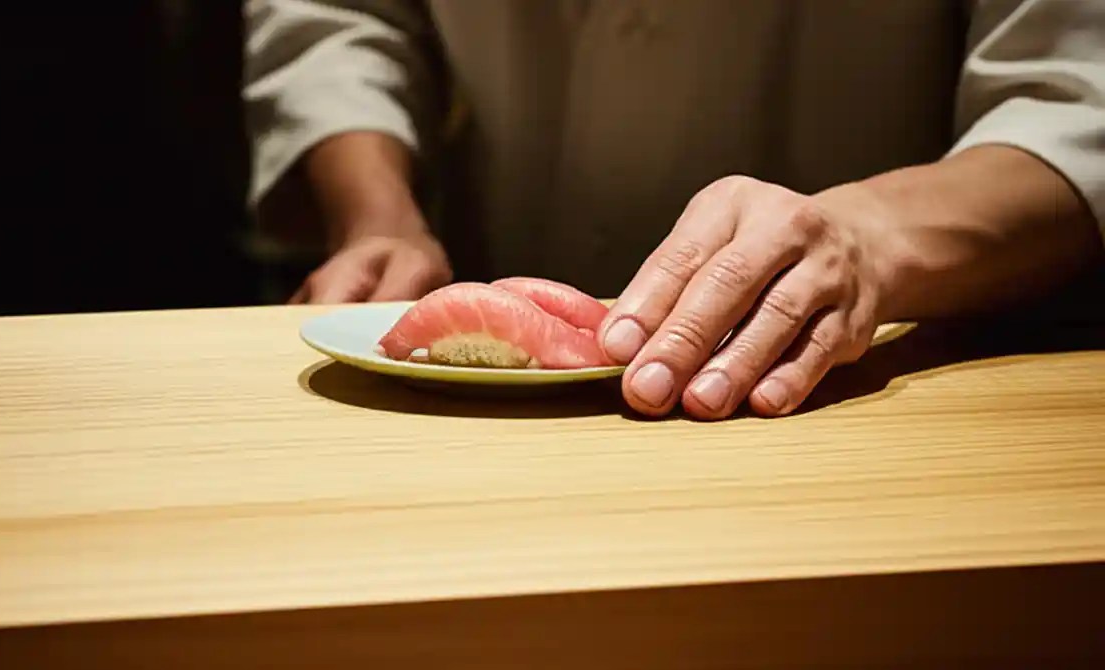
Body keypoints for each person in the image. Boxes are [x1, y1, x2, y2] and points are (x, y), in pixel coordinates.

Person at [244, 0, 1104, 419]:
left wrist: (867, 238)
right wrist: (377, 213)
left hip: (857, 386)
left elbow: (1077, 93)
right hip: (483, 378)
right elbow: (341, 16)